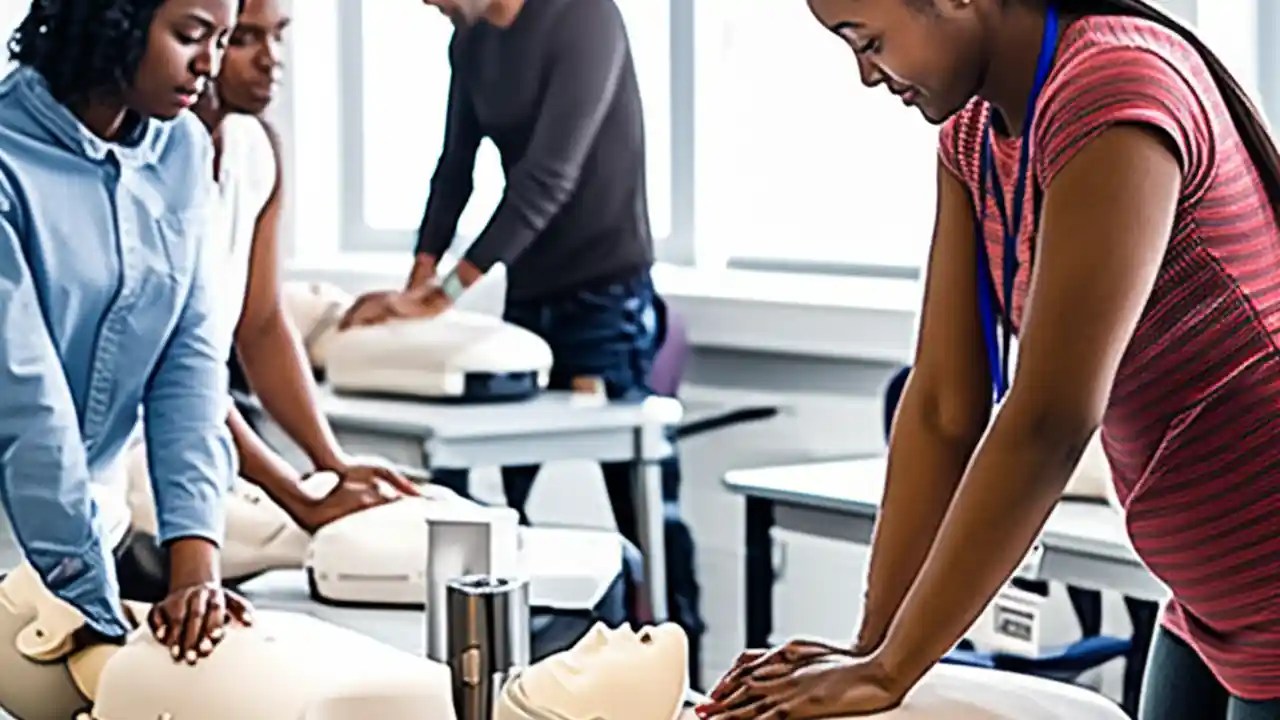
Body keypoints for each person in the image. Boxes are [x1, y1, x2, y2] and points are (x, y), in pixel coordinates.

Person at [704, 1, 1280, 719]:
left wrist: (889, 672)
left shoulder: (1114, 87)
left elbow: (1050, 421)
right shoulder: (973, 138)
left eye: (869, 40)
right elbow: (945, 404)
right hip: (1207, 600)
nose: (864, 75)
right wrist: (870, 647)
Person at [338, 0, 706, 684]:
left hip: (606, 295)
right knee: (500, 511)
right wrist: (412, 290)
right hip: (528, 303)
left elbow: (549, 175)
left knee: (643, 503)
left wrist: (443, 296)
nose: (428, 3)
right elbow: (454, 170)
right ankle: (505, 680)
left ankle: (685, 670)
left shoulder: (584, 16)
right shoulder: (470, 45)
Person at [0, 0, 252, 674]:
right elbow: (25, 393)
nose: (211, 65)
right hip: (22, 520)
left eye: (223, 40)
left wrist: (195, 560)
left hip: (88, 514)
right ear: (113, 18)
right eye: (192, 36)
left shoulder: (183, 150)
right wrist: (93, 599)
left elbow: (191, 357)